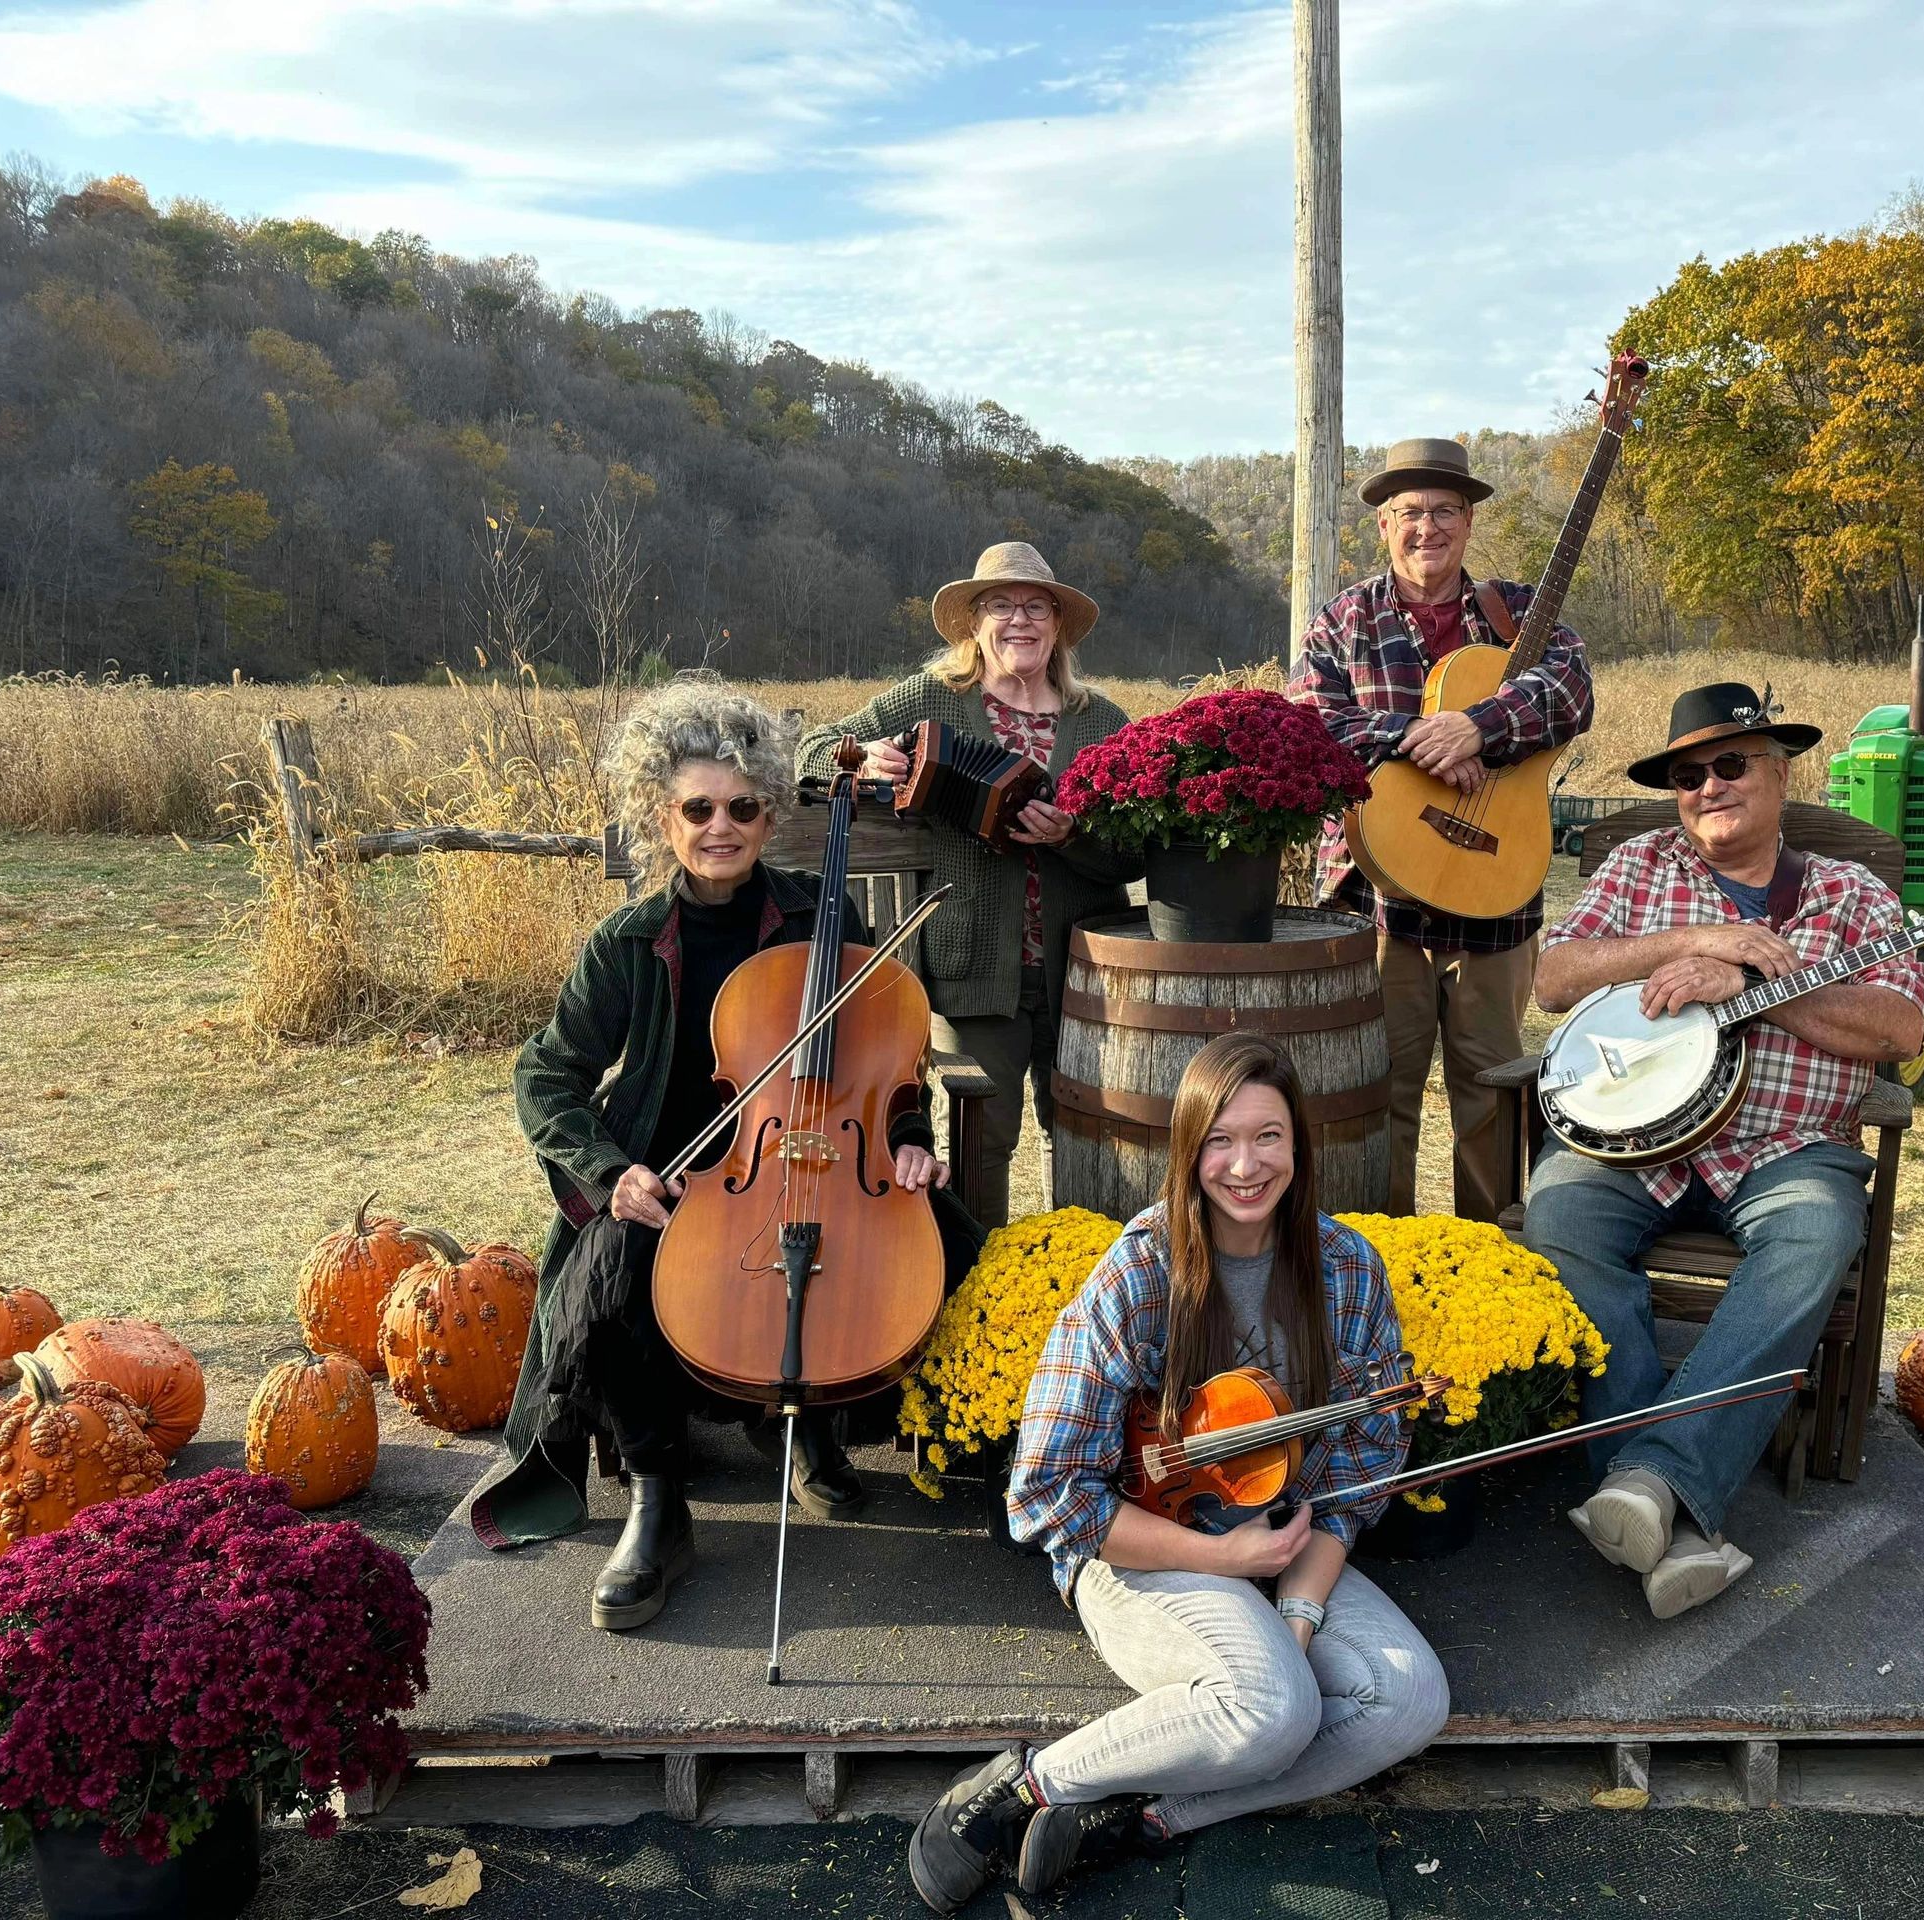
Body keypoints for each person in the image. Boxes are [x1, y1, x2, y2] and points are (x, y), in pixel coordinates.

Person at [906, 1034, 1448, 1914]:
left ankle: (1149, 1818)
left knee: (1410, 1699)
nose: (1245, 1166)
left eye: (1269, 1137)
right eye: (1221, 1140)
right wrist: (1224, 1565)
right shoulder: (1139, 1271)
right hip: (1139, 1549)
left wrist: (1300, 1613)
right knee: (1275, 1706)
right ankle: (1023, 1788)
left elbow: (1359, 1466)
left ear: (1300, 1146)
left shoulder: (1346, 1268)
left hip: (1282, 1541)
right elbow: (1047, 1493)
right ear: (1188, 1148)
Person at [466, 678, 957, 1633]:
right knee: (603, 1277)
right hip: (677, 1179)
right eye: (699, 809)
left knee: (937, 1243)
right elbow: (548, 1075)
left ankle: (821, 1423)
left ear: (771, 813)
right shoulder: (630, 942)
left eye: (742, 807)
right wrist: (614, 1176)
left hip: (818, 1157)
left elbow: (893, 1068)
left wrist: (905, 1145)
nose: (721, 826)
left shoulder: (830, 919)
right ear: (666, 816)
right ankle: (658, 1498)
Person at [1521, 685, 1924, 1620]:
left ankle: (1648, 1482)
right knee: (1559, 1216)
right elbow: (1553, 977)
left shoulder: (1850, 895)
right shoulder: (1639, 868)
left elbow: (1901, 1026)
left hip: (1789, 1150)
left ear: (1781, 774)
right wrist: (1701, 937)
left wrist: (1755, 979)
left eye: (1730, 764)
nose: (1708, 786)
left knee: (1817, 1237)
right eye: (1687, 775)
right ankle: (1680, 1512)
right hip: (1636, 1144)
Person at [1288, 437, 1593, 1221]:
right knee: (1377, 1095)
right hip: (1379, 899)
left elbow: (1571, 691)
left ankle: (1491, 1269)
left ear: (1468, 521)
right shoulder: (1344, 621)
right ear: (1385, 525)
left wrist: (1482, 725)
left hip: (1497, 894)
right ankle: (1377, 1268)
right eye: (1412, 512)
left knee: (1493, 1094)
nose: (1429, 527)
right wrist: (1421, 742)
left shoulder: (1517, 612)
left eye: (1447, 510)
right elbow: (1308, 724)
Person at [800, 542, 1138, 1227]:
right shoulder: (930, 700)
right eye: (1001, 605)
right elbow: (812, 753)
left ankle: (1086, 1288)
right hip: (971, 969)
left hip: (1087, 972)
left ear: (1058, 623)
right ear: (973, 624)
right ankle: (982, 1293)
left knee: (1095, 1144)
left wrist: (1070, 836)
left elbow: (1136, 852)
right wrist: (864, 756)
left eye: (1036, 606)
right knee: (985, 1146)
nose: (1021, 619)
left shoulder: (1101, 722)